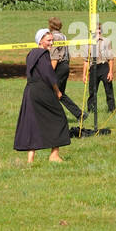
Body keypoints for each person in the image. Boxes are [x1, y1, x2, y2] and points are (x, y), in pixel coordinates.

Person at [14, 29, 71, 164]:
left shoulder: (31, 54)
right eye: (49, 40)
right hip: (43, 90)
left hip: (30, 90)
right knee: (59, 118)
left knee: (32, 123)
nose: (51, 43)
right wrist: (57, 90)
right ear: (40, 41)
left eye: (52, 40)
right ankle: (54, 155)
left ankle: (30, 159)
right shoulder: (43, 54)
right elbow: (48, 74)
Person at [48, 16, 84, 119]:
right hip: (65, 65)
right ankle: (79, 114)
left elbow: (54, 57)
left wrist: (50, 72)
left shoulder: (54, 37)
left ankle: (55, 117)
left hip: (59, 66)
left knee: (52, 93)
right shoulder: (63, 36)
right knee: (60, 93)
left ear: (51, 25)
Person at [83, 20, 115, 117]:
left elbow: (111, 58)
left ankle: (111, 109)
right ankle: (91, 110)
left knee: (108, 89)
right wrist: (84, 74)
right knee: (92, 90)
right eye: (96, 30)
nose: (98, 31)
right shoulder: (88, 43)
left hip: (104, 66)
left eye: (99, 29)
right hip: (93, 67)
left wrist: (110, 72)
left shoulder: (106, 41)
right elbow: (86, 60)